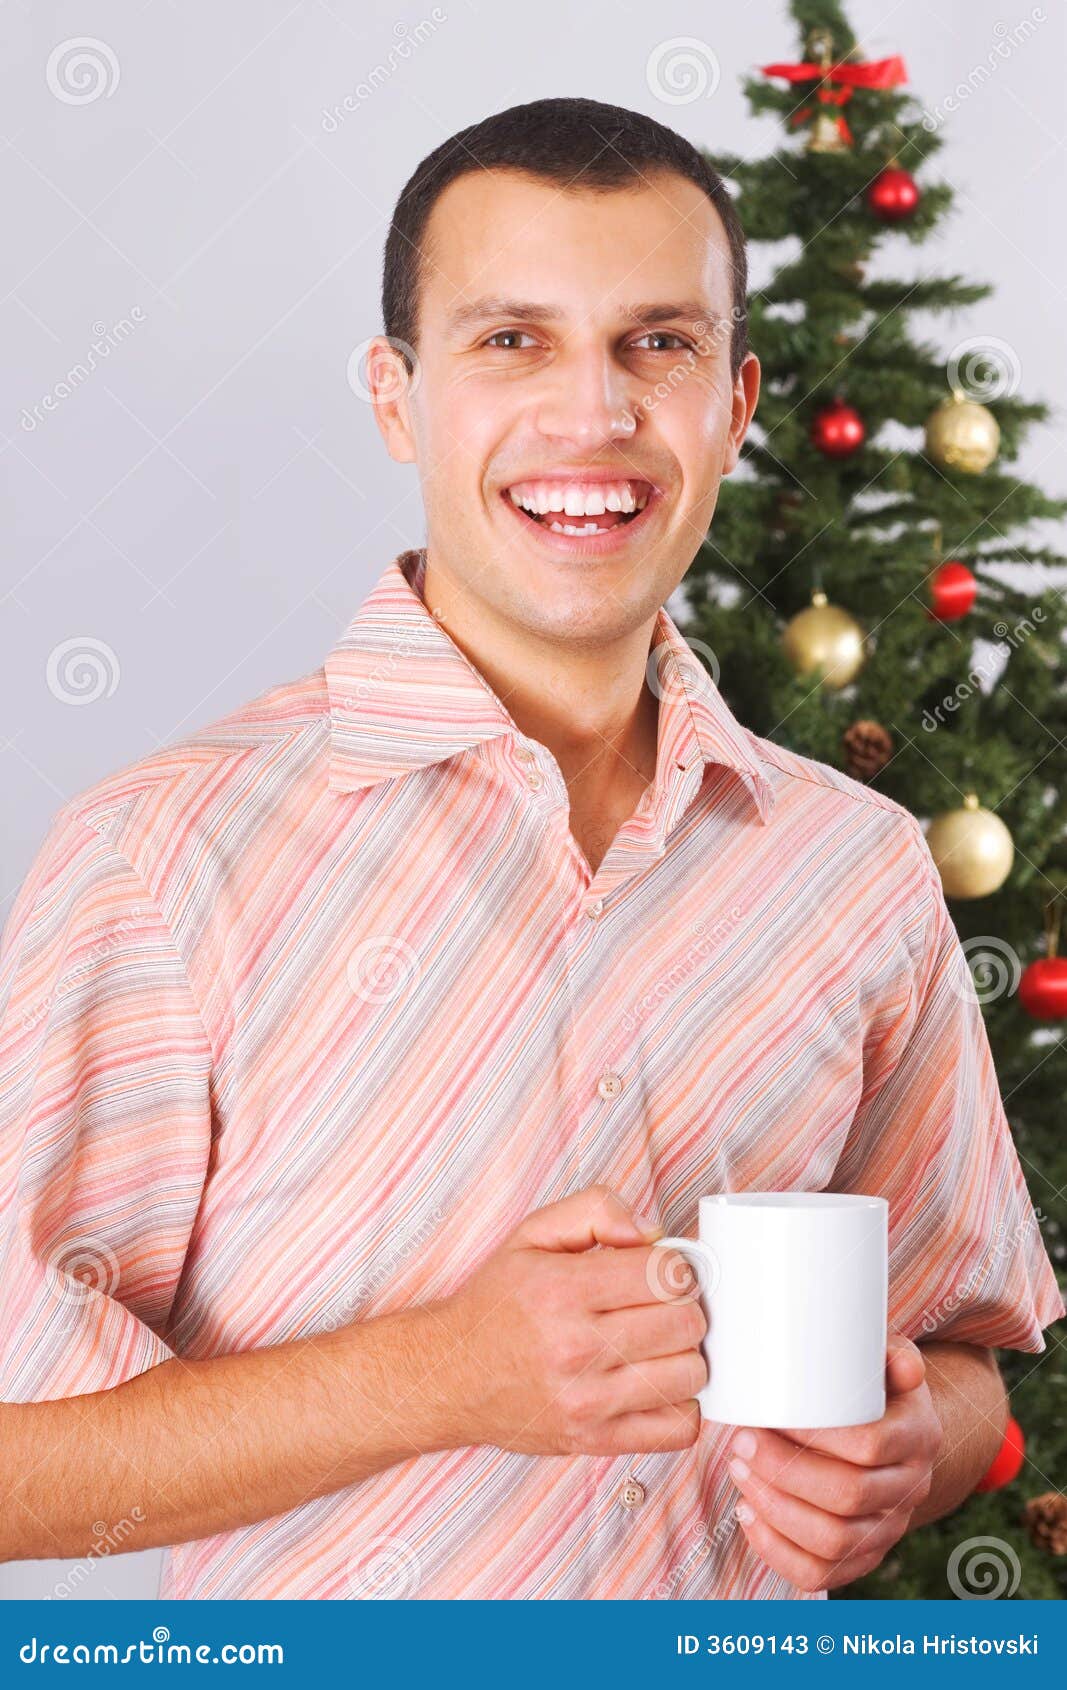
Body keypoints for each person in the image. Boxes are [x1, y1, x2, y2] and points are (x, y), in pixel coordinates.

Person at [0, 97, 1062, 1601]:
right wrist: (436, 1376)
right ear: (396, 396)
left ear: (737, 400)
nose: (594, 415)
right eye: (513, 341)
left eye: (658, 343)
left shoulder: (859, 868)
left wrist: (918, 1444)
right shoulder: (162, 860)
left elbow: (966, 1351)